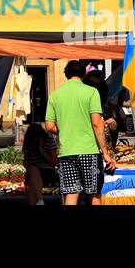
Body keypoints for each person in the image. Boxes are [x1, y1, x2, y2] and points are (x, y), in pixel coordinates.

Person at [44, 61, 116, 205]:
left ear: (66, 74)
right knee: (94, 194)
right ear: (84, 74)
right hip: (89, 151)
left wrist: (66, 128)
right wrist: (105, 153)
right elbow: (97, 124)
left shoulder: (55, 95)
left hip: (66, 152)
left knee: (71, 194)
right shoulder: (91, 92)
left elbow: (49, 126)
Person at [23, 119, 59, 205]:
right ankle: (40, 200)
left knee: (32, 183)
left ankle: (40, 201)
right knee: (32, 170)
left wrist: (41, 150)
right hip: (33, 170)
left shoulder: (49, 140)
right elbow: (26, 162)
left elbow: (54, 162)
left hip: (47, 171)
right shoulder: (28, 142)